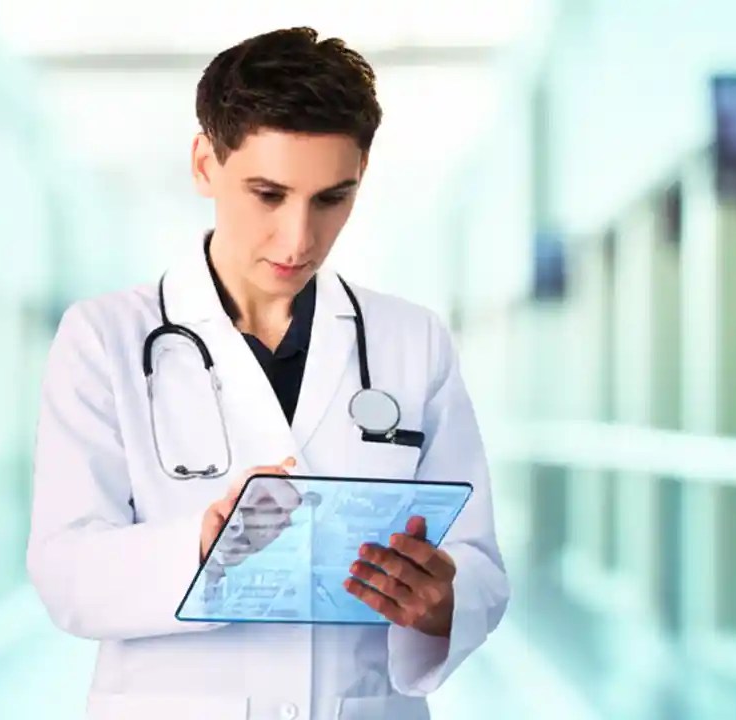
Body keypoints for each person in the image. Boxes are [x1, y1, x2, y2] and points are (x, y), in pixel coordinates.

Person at [26, 26, 509, 720]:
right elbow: (65, 572)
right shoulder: (105, 338)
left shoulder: (412, 340)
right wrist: (202, 543)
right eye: (268, 194)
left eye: (331, 198)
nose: (299, 238)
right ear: (203, 164)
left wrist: (444, 601)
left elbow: (480, 562)